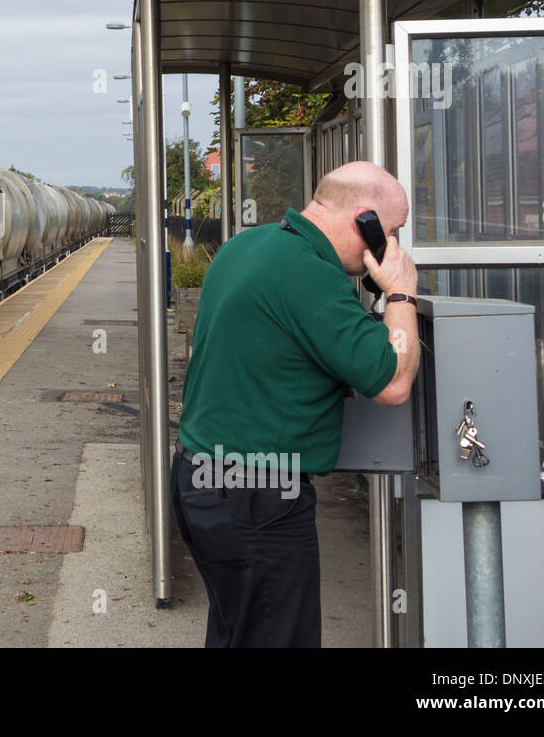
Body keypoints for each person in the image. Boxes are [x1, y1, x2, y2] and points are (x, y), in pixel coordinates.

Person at [170, 160, 420, 647]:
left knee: (238, 632)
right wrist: (401, 295)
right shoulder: (307, 274)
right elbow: (392, 381)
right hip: (255, 497)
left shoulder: (248, 245)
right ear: (364, 223)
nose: (393, 246)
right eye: (391, 232)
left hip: (203, 479)